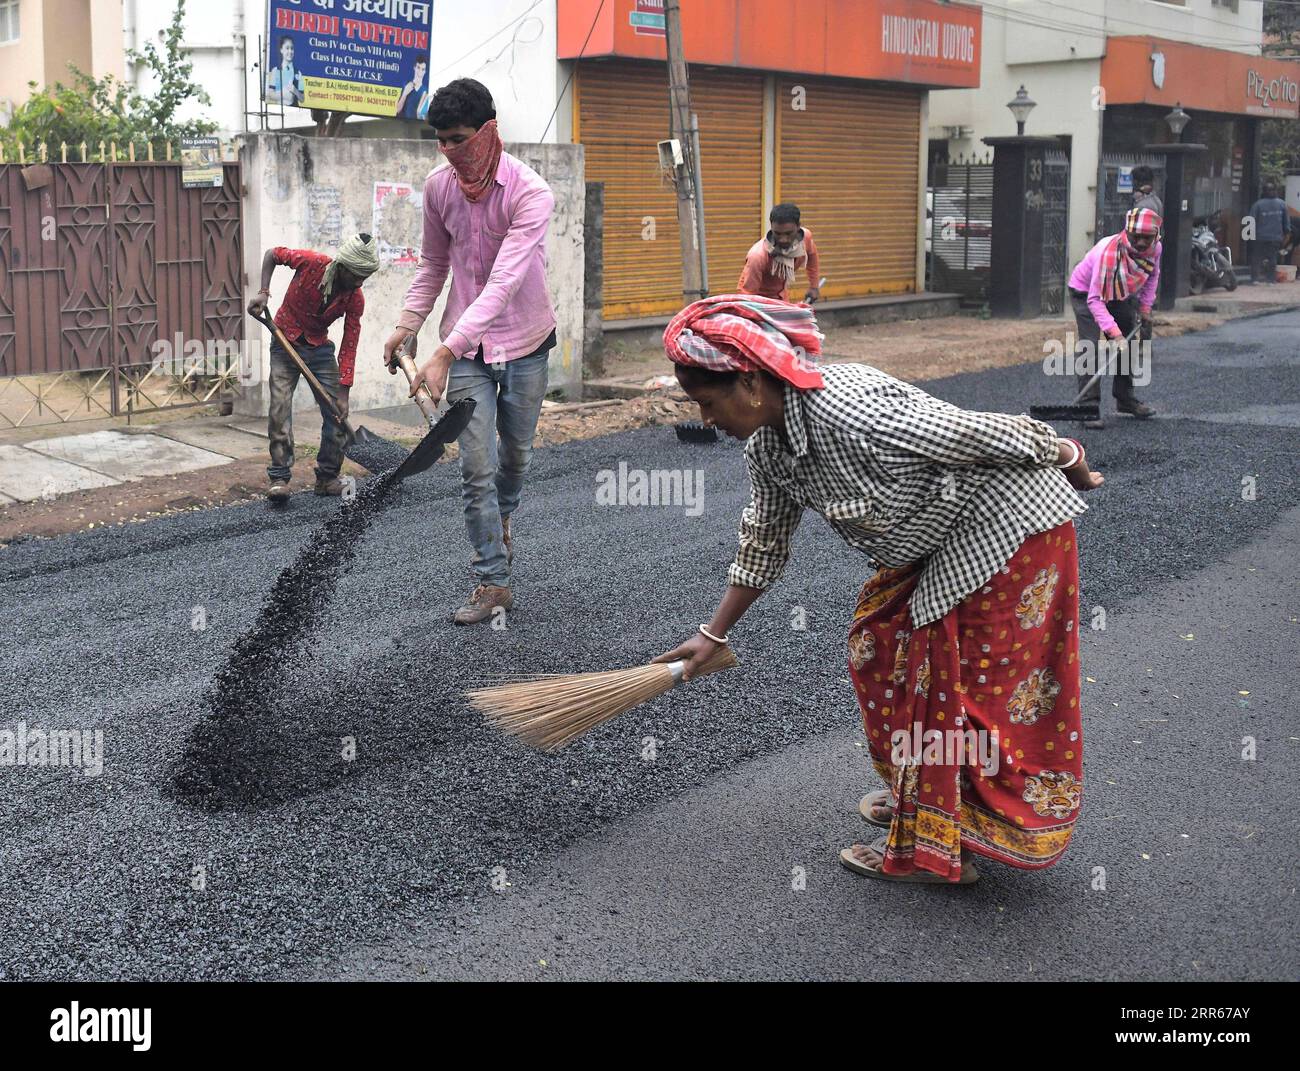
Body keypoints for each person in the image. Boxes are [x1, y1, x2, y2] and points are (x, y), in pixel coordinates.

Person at [655, 294, 1101, 885]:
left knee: (958, 690)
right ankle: (927, 797)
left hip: (1009, 529)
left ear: (751, 381)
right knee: (878, 647)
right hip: (935, 543)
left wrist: (1066, 452)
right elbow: (764, 540)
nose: (706, 421)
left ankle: (940, 848)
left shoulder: (853, 416)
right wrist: (712, 635)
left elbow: (982, 433)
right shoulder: (769, 448)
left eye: (708, 404)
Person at [384, 78, 557, 626]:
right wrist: (408, 325)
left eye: (459, 138)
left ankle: (501, 521)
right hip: (468, 353)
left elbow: (504, 281)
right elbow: (433, 266)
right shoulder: (438, 188)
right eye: (440, 140)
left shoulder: (531, 194)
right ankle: (492, 581)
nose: (450, 151)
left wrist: (442, 350)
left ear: (488, 133)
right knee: (475, 469)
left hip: (526, 342)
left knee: (516, 459)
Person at [247, 234, 379, 502]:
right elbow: (272, 253)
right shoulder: (311, 263)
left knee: (337, 413)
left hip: (319, 348)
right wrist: (263, 293)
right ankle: (279, 477)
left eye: (363, 277)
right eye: (355, 275)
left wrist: (344, 391)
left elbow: (349, 344)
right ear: (342, 266)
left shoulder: (355, 298)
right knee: (279, 408)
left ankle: (328, 477)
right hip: (285, 341)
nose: (359, 283)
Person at [1065, 207, 1160, 429]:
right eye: (1137, 237)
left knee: (1128, 343)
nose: (1142, 243)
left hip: (1118, 292)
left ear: (1155, 235)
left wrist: (1145, 307)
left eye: (1147, 238)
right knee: (1090, 346)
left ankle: (1124, 398)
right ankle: (1087, 408)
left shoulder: (1156, 249)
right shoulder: (1108, 254)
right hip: (1085, 291)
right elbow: (1094, 300)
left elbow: (1153, 274)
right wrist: (1113, 333)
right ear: (1127, 232)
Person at [738, 203, 821, 304]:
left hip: (782, 295)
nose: (783, 240)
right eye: (777, 233)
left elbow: (812, 257)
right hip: (759, 301)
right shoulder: (757, 256)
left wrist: (814, 286)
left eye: (788, 233)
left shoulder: (805, 238)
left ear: (798, 226)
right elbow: (748, 297)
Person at [1247, 182, 1288, 285]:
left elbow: (1250, 221)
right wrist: (1285, 235)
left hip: (1259, 237)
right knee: (1272, 258)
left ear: (1263, 192)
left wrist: (1248, 237)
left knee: (1257, 258)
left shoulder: (1257, 205)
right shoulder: (1282, 204)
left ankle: (1255, 279)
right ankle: (1270, 280)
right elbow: (1286, 224)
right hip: (1275, 237)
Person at [266, 36, 304, 107]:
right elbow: (270, 94)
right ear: (281, 50)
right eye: (287, 48)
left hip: (293, 111)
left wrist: (295, 90)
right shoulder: (275, 71)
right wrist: (283, 93)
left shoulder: (298, 73)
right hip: (278, 109)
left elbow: (302, 99)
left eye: (292, 48)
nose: (290, 51)